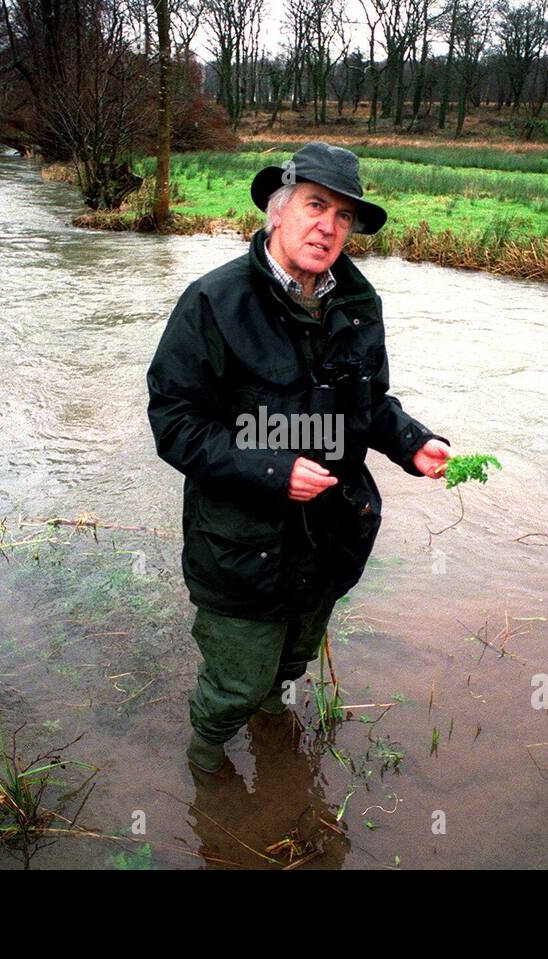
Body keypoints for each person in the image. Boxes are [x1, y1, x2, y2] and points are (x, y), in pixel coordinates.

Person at [146, 141, 453, 774]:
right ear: (278, 210)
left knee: (290, 663)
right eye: (316, 205)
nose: (328, 226)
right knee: (234, 682)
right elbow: (174, 422)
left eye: (343, 216)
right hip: (242, 546)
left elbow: (369, 402)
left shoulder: (359, 304)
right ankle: (207, 766)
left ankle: (272, 725)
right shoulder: (213, 302)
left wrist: (410, 440)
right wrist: (273, 470)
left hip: (328, 536)